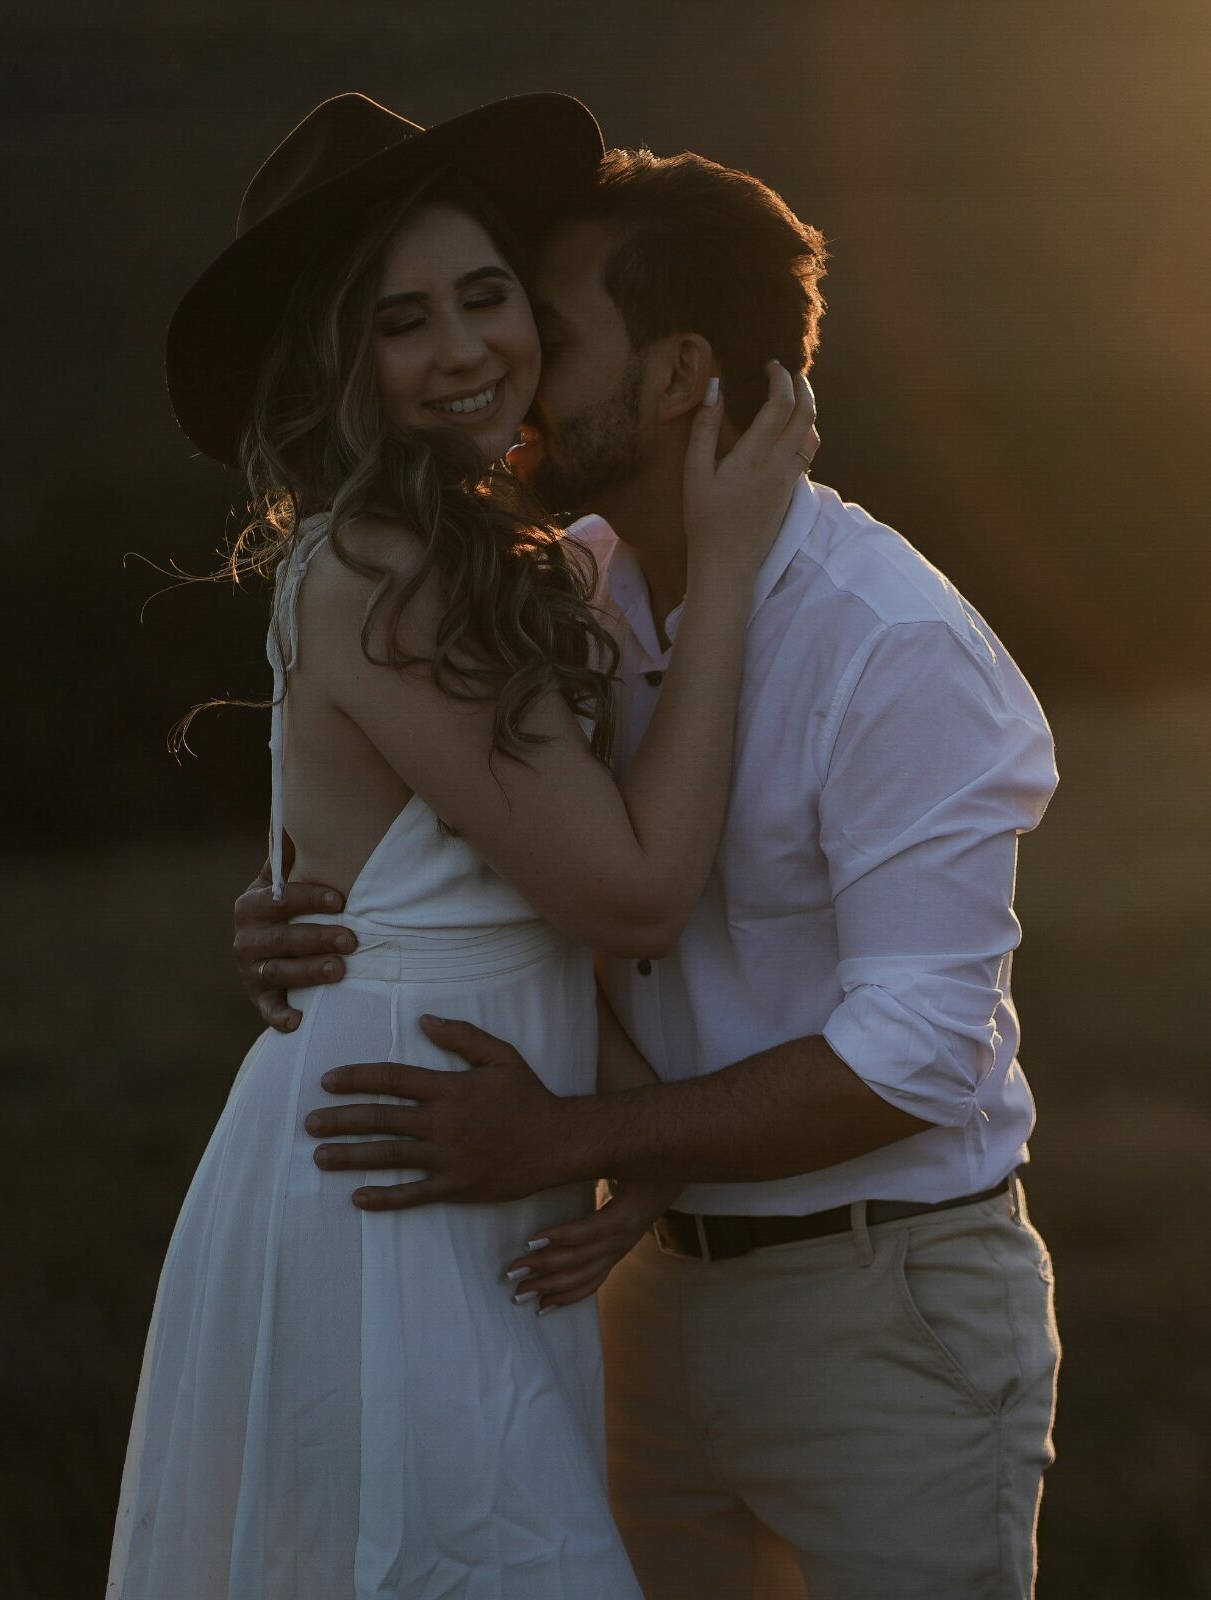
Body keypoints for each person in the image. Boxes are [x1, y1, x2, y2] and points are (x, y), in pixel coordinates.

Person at [236, 145, 1063, 1598]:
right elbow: (510, 863)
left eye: (547, 334)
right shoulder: (582, 589)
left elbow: (916, 1053)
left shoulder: (894, 646)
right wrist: (339, 915)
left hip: (876, 1309)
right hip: (621, 1290)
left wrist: (564, 1140)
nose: (508, 368)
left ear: (678, 372)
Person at [115, 92, 816, 1598]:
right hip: (397, 1175)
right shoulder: (386, 563)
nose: (465, 350)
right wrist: (736, 575)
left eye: (488, 298)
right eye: (401, 321)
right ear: (337, 362)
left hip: (464, 1144)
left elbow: (478, 907)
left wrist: (628, 1134)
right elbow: (627, 895)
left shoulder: (470, 548)